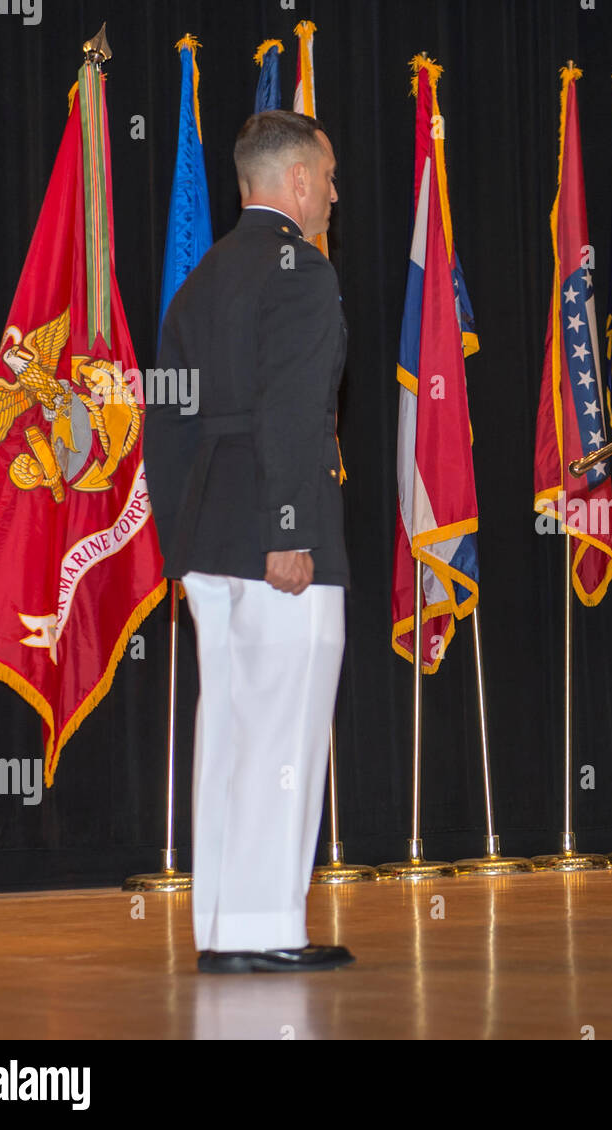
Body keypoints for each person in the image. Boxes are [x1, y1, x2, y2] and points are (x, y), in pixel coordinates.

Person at [145, 110, 352, 971]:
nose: (336, 194)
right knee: (282, 732)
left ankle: (224, 928)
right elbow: (296, 411)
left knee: (226, 729)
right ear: (296, 182)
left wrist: (180, 542)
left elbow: (166, 421)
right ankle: (269, 926)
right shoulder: (301, 271)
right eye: (330, 177)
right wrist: (292, 528)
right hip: (277, 536)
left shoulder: (200, 280)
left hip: (208, 534)